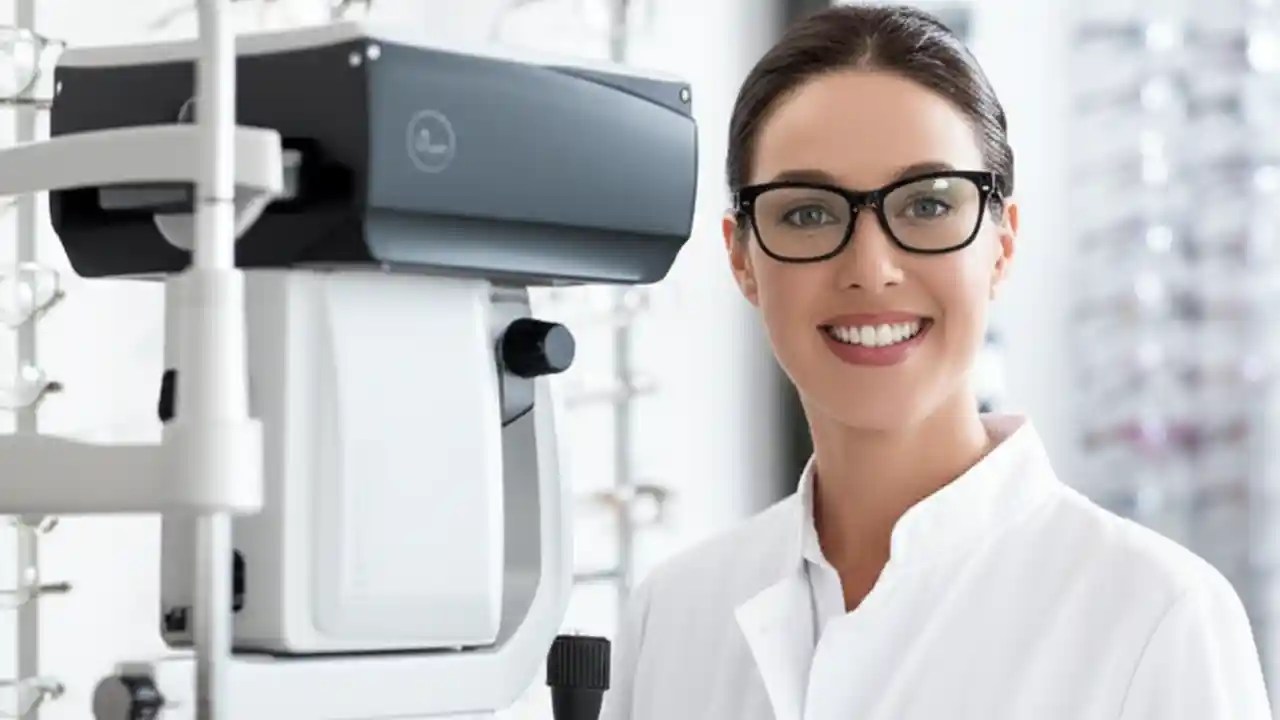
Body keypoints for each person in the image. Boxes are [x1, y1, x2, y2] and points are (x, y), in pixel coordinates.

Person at [599, 4, 1273, 720]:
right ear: (742, 259)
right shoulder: (673, 618)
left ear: (1001, 244)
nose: (872, 268)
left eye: (926, 205)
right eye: (808, 213)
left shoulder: (1156, 618)